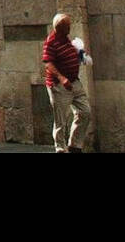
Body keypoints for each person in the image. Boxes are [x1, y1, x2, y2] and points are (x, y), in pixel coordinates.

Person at [42, 12, 92, 152]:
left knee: (85, 112)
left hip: (74, 82)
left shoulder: (66, 39)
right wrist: (61, 78)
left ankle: (74, 145)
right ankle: (60, 148)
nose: (70, 28)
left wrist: (79, 54)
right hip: (59, 86)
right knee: (61, 120)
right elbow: (48, 63)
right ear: (60, 27)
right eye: (67, 26)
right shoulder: (51, 42)